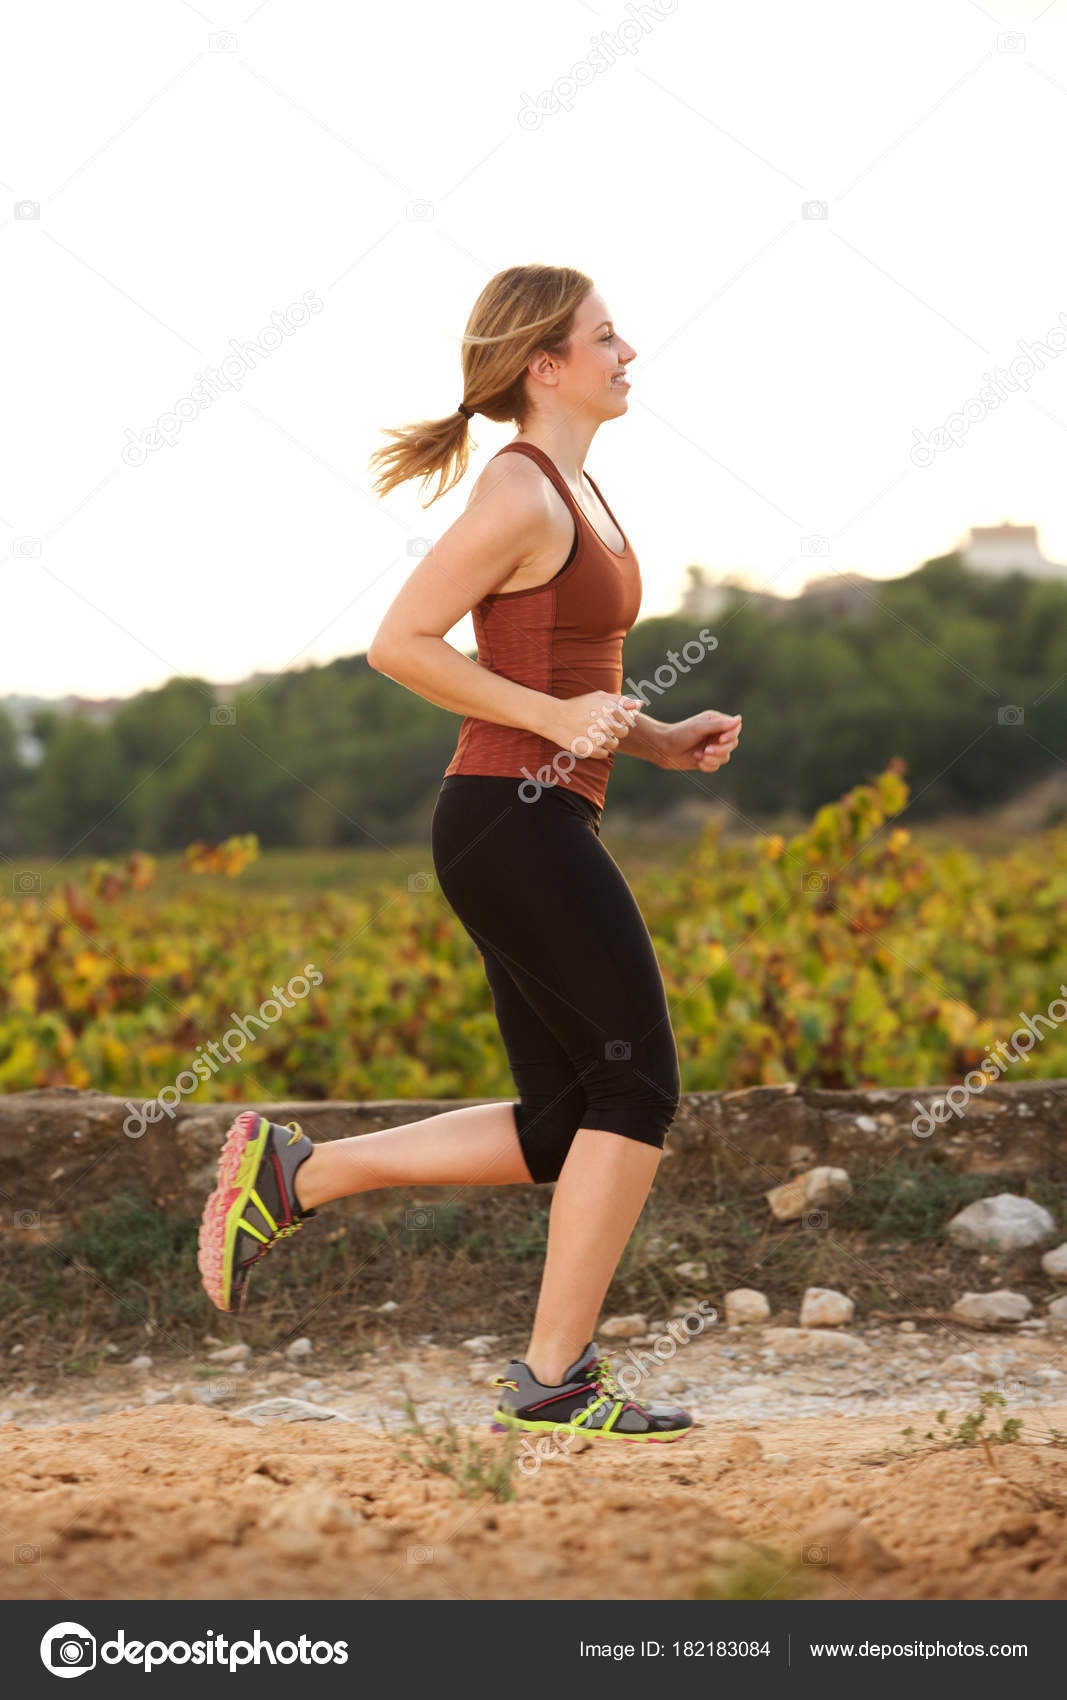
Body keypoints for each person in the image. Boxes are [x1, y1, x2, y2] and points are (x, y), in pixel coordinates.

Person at [197, 264, 741, 1444]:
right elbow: (401, 642)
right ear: (544, 365)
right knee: (635, 1084)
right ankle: (553, 1379)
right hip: (508, 815)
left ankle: (298, 1175)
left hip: (540, 814)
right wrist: (554, 725)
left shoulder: (578, 492)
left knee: (562, 1121)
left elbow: (568, 676)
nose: (628, 350)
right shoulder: (520, 490)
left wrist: (649, 737)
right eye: (606, 336)